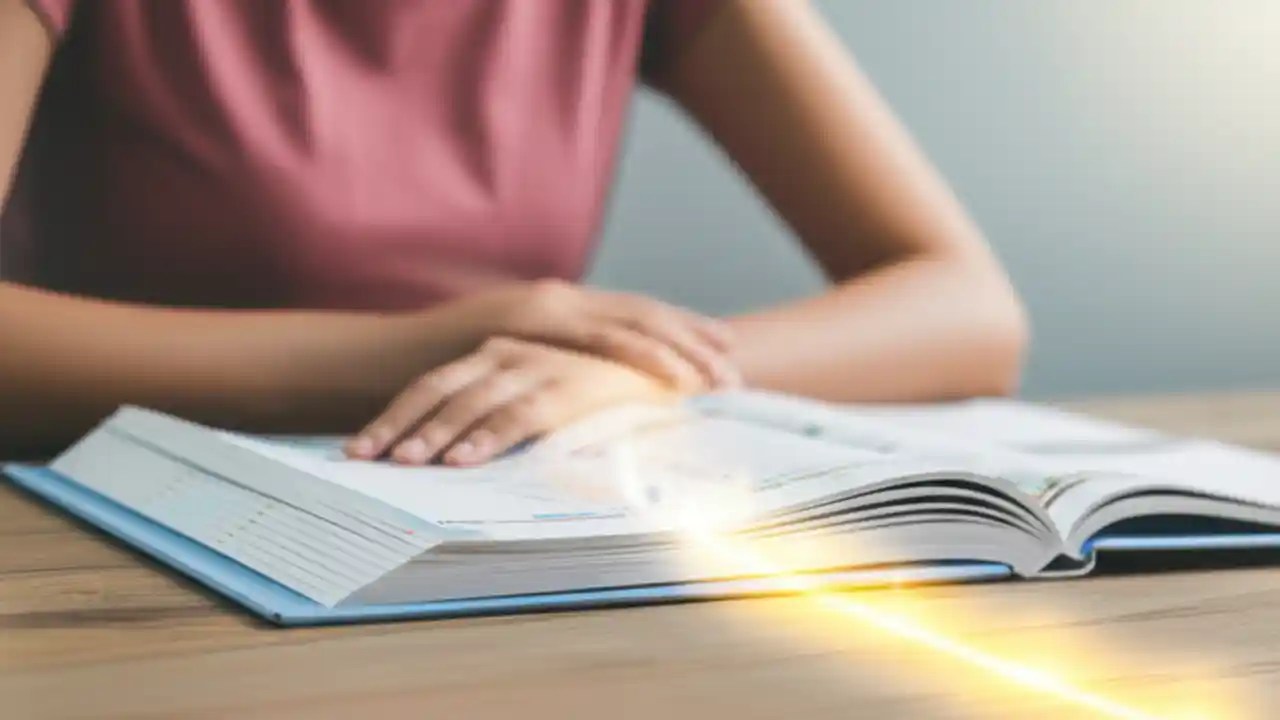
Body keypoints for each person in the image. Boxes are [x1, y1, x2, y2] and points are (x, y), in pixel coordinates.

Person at [0, 0, 1027, 466]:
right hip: (97, 557)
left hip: (471, 543)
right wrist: (398, 359)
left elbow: (966, 307)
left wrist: (651, 371)